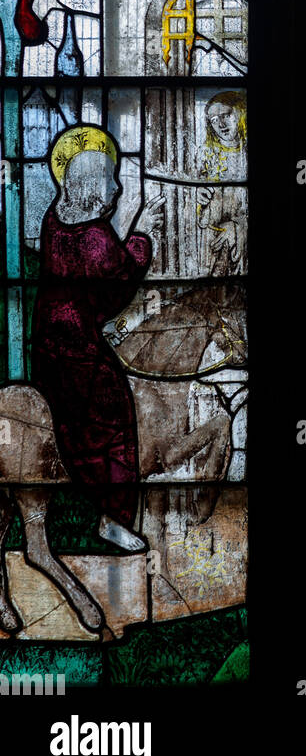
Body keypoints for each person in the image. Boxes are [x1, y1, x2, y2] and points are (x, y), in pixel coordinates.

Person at [30, 126, 165, 552]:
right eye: (110, 177)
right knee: (115, 415)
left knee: (67, 421)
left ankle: (78, 491)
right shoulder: (95, 237)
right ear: (94, 185)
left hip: (47, 345)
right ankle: (113, 518)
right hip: (78, 351)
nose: (117, 185)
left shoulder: (55, 219)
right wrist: (142, 235)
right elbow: (119, 283)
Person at [196, 91, 248, 276]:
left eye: (226, 115)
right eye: (214, 120)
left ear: (240, 112)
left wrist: (240, 226)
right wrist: (197, 199)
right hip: (212, 236)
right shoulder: (204, 155)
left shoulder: (248, 150)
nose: (222, 125)